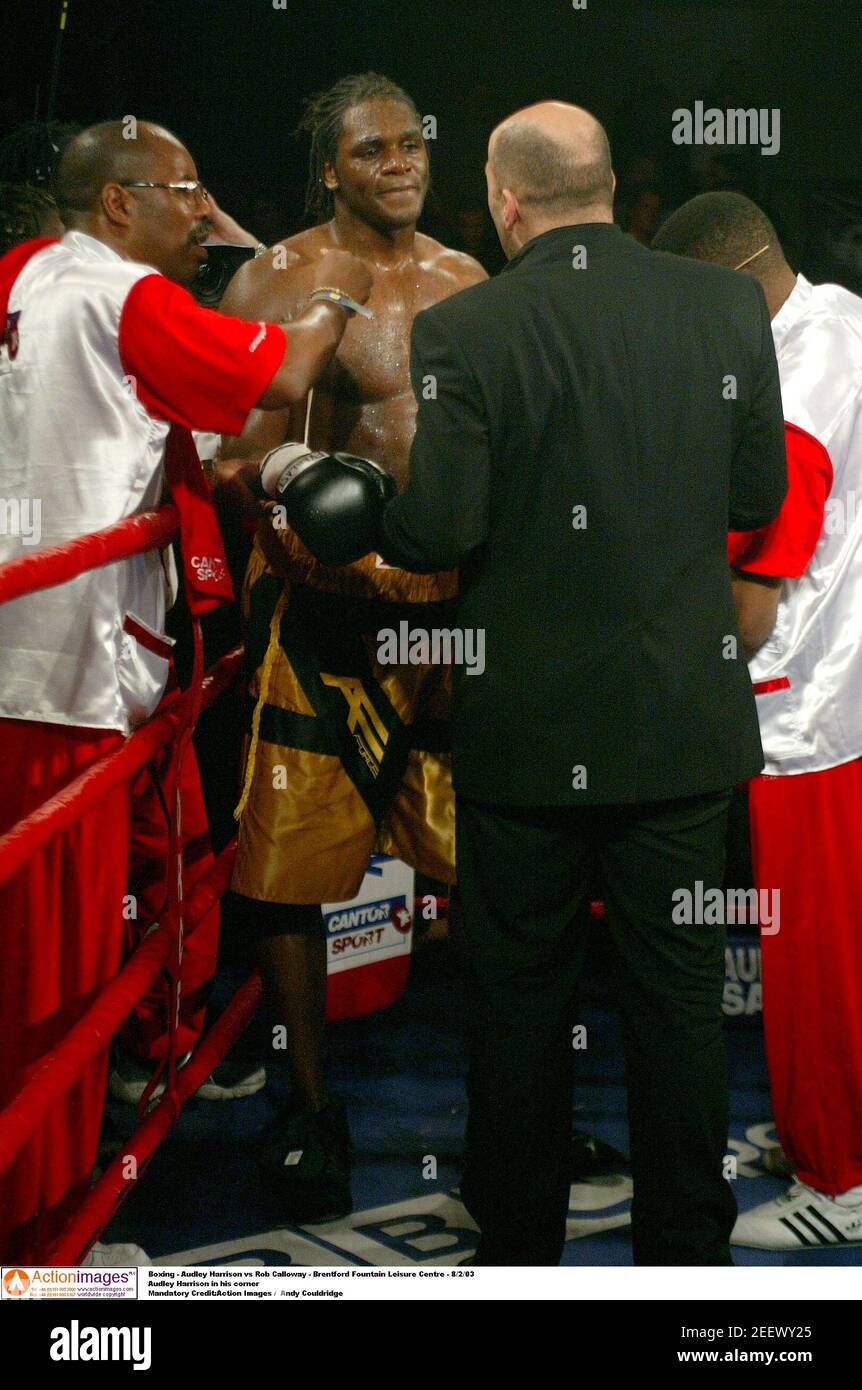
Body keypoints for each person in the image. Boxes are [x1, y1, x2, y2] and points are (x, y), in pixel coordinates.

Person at [371, 100, 788, 1265]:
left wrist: (341, 490)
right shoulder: (719, 304)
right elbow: (753, 499)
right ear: (607, 185)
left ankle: (517, 1253)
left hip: (526, 732)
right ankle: (685, 1267)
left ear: (506, 202)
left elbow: (439, 524)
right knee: (676, 1012)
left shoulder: (468, 327)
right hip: (678, 724)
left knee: (518, 1010)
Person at [0, 118, 370, 1262]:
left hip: (25, 644)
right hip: (68, 663)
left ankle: (63, 1177)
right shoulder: (123, 297)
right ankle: (42, 1229)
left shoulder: (22, 273)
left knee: (55, 939)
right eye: (183, 193)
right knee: (51, 968)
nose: (200, 213)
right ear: (118, 204)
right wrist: (332, 290)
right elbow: (290, 366)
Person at [217, 72, 486, 1221]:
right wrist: (293, 484)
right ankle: (311, 1109)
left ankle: (506, 1110)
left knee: (485, 866)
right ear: (330, 167)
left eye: (412, 144)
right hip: (319, 603)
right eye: (372, 149)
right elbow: (231, 452)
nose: (401, 163)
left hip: (450, 610)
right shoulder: (275, 277)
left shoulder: (469, 282)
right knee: (289, 876)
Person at [653, 192, 862, 1250]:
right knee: (827, 940)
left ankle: (842, 1173)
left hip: (811, 699)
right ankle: (825, 1126)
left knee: (814, 946)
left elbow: (760, 571)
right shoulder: (835, 314)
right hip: (836, 684)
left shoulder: (801, 371)